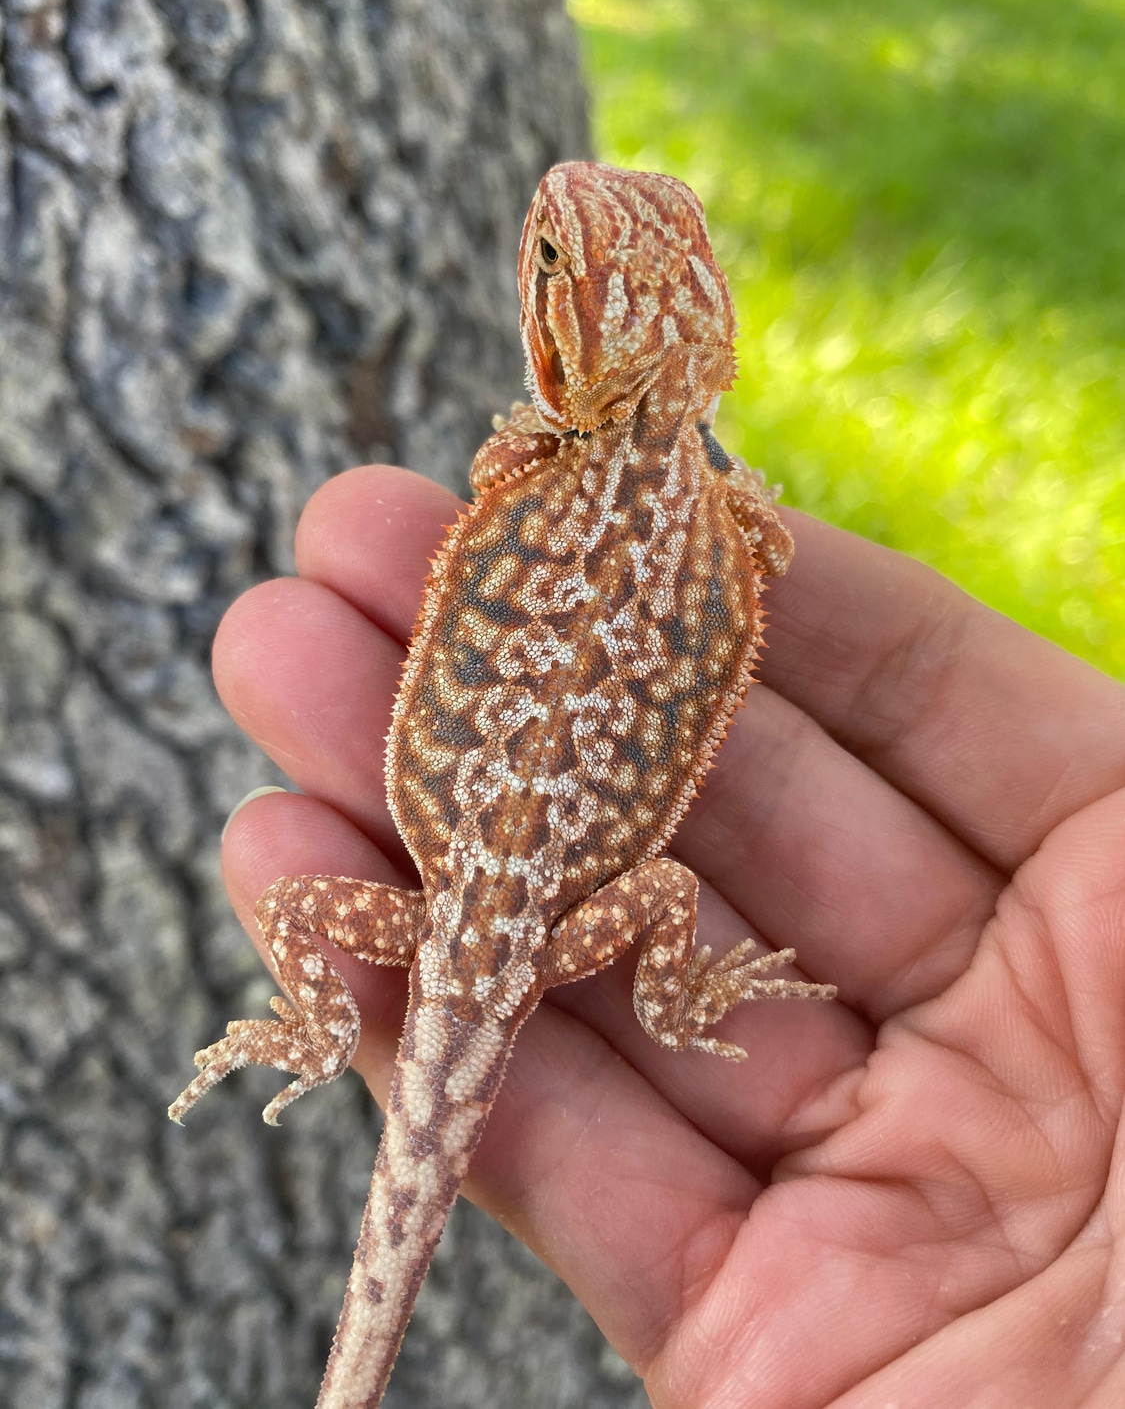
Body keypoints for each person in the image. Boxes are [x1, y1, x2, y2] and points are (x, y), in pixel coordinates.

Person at [218, 463, 1125, 1407]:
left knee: (299, 907)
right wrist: (677, 1000)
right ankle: (658, 1007)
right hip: (501, 923)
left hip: (461, 922)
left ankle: (322, 1040)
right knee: (651, 888)